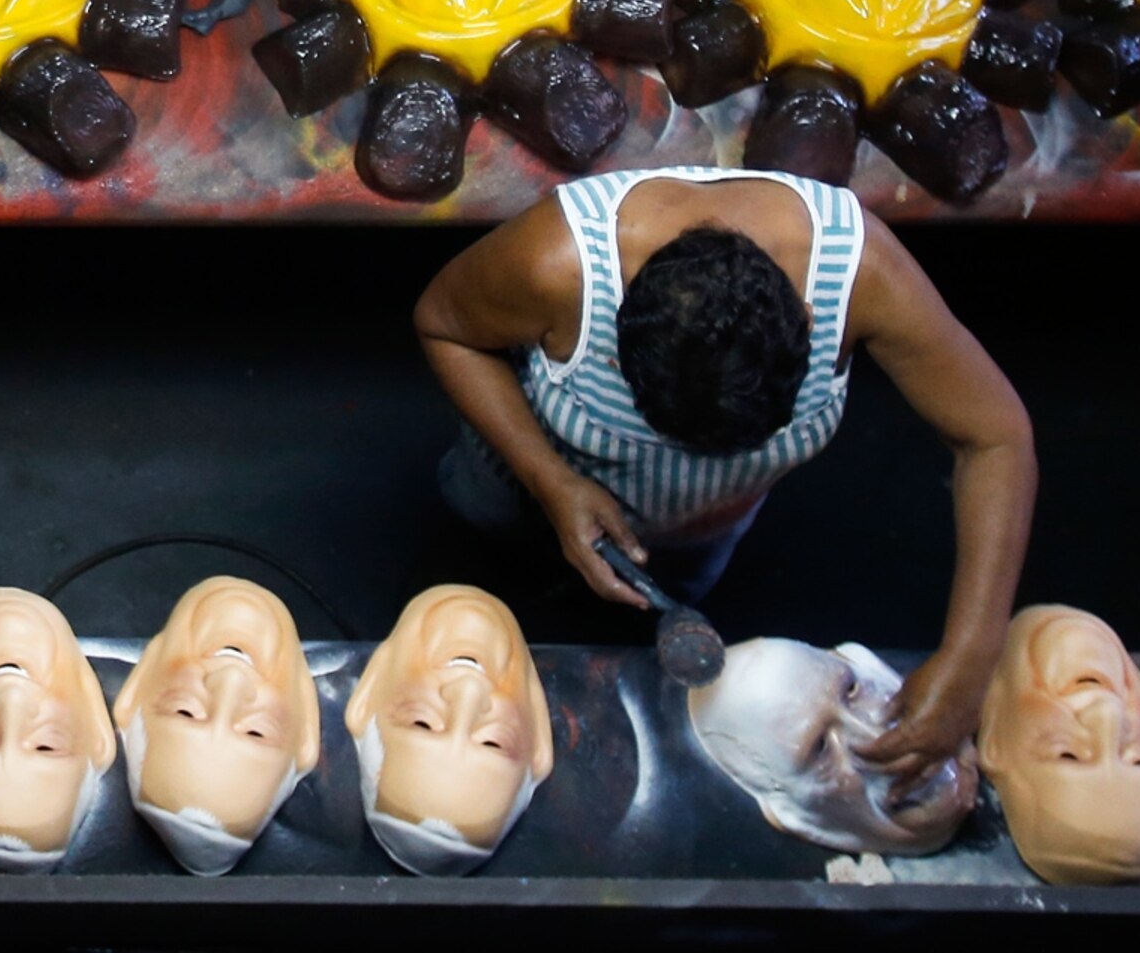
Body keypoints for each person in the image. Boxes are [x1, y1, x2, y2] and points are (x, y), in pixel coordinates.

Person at [412, 166, 1033, 770]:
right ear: (613, 339)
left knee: (669, 603)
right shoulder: (556, 262)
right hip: (518, 481)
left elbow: (995, 436)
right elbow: (445, 326)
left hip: (702, 533)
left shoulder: (858, 274)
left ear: (809, 326)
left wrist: (974, 653)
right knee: (483, 547)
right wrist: (550, 480)